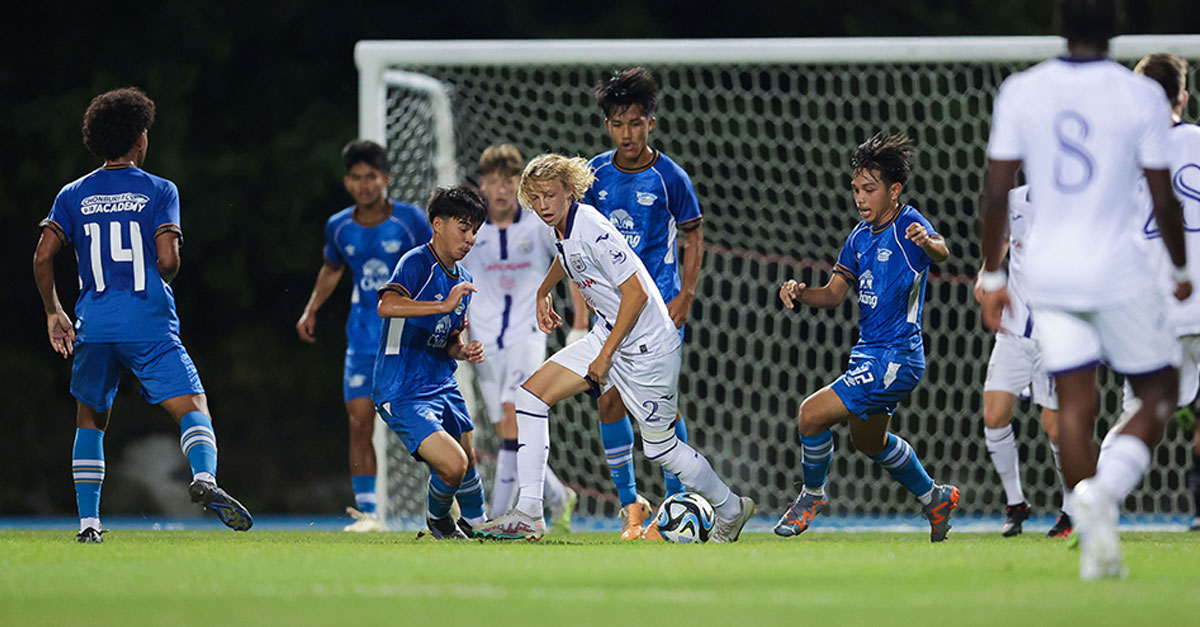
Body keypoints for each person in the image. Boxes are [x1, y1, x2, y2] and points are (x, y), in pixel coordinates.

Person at [979, 0, 1190, 579]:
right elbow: (1162, 195)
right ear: (1116, 28)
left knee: (1074, 405)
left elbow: (996, 195)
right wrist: (1178, 270)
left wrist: (993, 276)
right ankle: (1104, 493)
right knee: (1161, 391)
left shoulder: (1023, 90)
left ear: (1058, 24)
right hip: (1117, 267)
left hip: (1048, 273)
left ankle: (1091, 528)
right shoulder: (1139, 94)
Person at [474, 154, 755, 541]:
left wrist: (605, 356)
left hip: (648, 347)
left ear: (570, 191)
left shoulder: (591, 225)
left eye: (550, 196)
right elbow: (565, 256)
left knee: (661, 448)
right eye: (535, 198)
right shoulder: (563, 226)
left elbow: (636, 292)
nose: (542, 206)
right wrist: (542, 290)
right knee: (531, 397)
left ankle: (730, 507)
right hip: (610, 335)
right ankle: (529, 513)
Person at [32, 87, 252, 543]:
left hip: (93, 325)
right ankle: (205, 478)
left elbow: (41, 256)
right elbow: (168, 260)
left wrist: (54, 311)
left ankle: (89, 524)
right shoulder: (158, 189)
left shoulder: (73, 194)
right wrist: (164, 271)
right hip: (148, 324)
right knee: (192, 406)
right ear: (140, 139)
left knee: (90, 419)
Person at [773, 133, 960, 543]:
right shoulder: (859, 237)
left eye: (869, 190)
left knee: (810, 415)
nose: (860, 198)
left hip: (897, 356)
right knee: (868, 441)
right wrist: (801, 292)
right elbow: (834, 294)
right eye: (856, 189)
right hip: (868, 356)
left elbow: (941, 250)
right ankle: (935, 497)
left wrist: (929, 242)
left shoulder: (909, 225)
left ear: (894, 191)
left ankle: (811, 496)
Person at [581, 67, 705, 540]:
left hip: (657, 313)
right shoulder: (594, 175)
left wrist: (686, 295)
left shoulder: (671, 176)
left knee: (659, 410)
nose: (626, 133)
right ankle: (632, 509)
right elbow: (577, 238)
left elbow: (693, 235)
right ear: (608, 125)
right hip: (611, 312)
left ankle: (676, 507)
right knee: (609, 404)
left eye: (635, 122)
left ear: (650, 123)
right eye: (617, 123)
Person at [295, 140, 431, 532]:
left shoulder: (410, 221)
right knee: (359, 423)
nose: (364, 184)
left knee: (423, 423)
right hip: (361, 339)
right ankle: (369, 514)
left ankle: (449, 496)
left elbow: (434, 265)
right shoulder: (339, 226)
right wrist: (311, 309)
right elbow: (332, 268)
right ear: (347, 182)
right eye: (356, 177)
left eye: (371, 176)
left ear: (385, 179)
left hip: (407, 340)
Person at [1102, 52, 1200, 532]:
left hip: (1153, 307)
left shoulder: (1123, 155)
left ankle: (1095, 502)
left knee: (1138, 417)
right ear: (1183, 97)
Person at [460, 144, 582, 529]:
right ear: (482, 185)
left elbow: (570, 259)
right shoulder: (470, 231)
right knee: (505, 433)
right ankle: (559, 496)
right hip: (485, 340)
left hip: (527, 334)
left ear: (519, 185)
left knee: (515, 418)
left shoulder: (536, 223)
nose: (501, 190)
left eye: (509, 182)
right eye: (494, 182)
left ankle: (496, 516)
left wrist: (580, 323)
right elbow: (456, 281)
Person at [372, 185, 489, 540]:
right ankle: (439, 520)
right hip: (402, 388)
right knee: (453, 465)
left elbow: (448, 339)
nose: (470, 238)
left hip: (442, 381)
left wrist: (462, 350)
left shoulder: (464, 280)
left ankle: (479, 525)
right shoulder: (416, 263)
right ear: (438, 224)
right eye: (463, 228)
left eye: (474, 231)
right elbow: (387, 306)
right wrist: (441, 305)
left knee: (467, 461)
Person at [973, 185, 1072, 538]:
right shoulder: (1014, 200)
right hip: (1014, 331)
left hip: (1056, 335)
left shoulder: (1077, 202)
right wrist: (988, 275)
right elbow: (999, 240)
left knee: (1056, 427)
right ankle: (1016, 504)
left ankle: (1072, 508)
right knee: (994, 415)